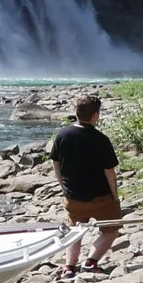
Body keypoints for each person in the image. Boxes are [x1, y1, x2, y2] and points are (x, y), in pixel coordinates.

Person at [49, 93, 122, 271]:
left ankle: (69, 267)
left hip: (73, 198)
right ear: (95, 115)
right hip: (100, 198)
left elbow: (56, 163)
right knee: (111, 230)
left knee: (75, 231)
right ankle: (91, 262)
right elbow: (109, 173)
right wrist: (115, 197)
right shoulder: (100, 139)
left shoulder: (62, 135)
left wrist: (63, 187)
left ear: (76, 111)